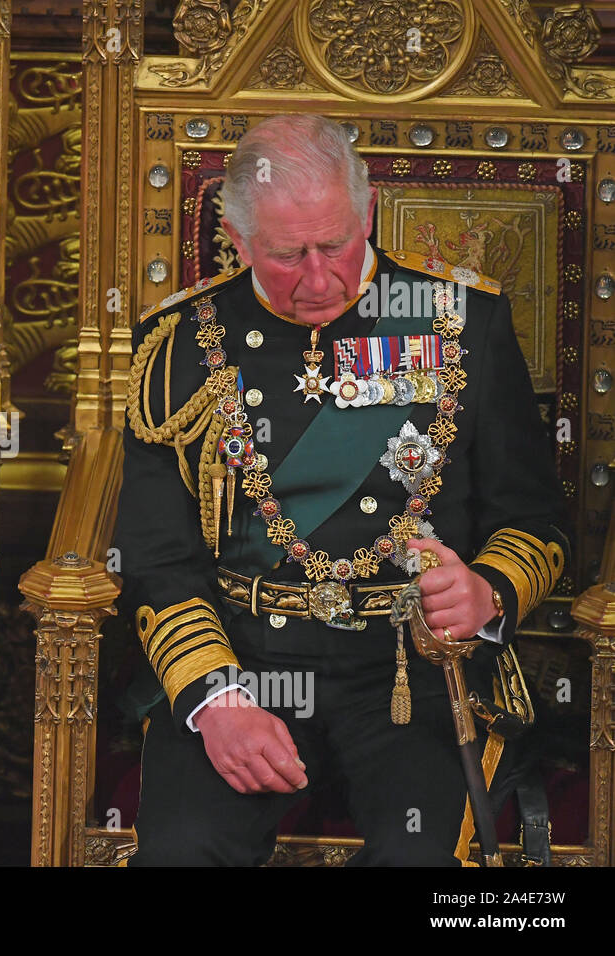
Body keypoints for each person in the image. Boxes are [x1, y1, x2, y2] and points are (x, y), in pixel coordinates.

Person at [116, 114, 569, 866]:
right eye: (288, 255)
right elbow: (159, 556)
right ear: (237, 236)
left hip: (410, 677)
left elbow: (535, 522)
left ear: (368, 213)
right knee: (181, 852)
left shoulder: (461, 324)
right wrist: (216, 698)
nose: (319, 278)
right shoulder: (180, 345)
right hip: (248, 664)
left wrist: (487, 591)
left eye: (336, 244)